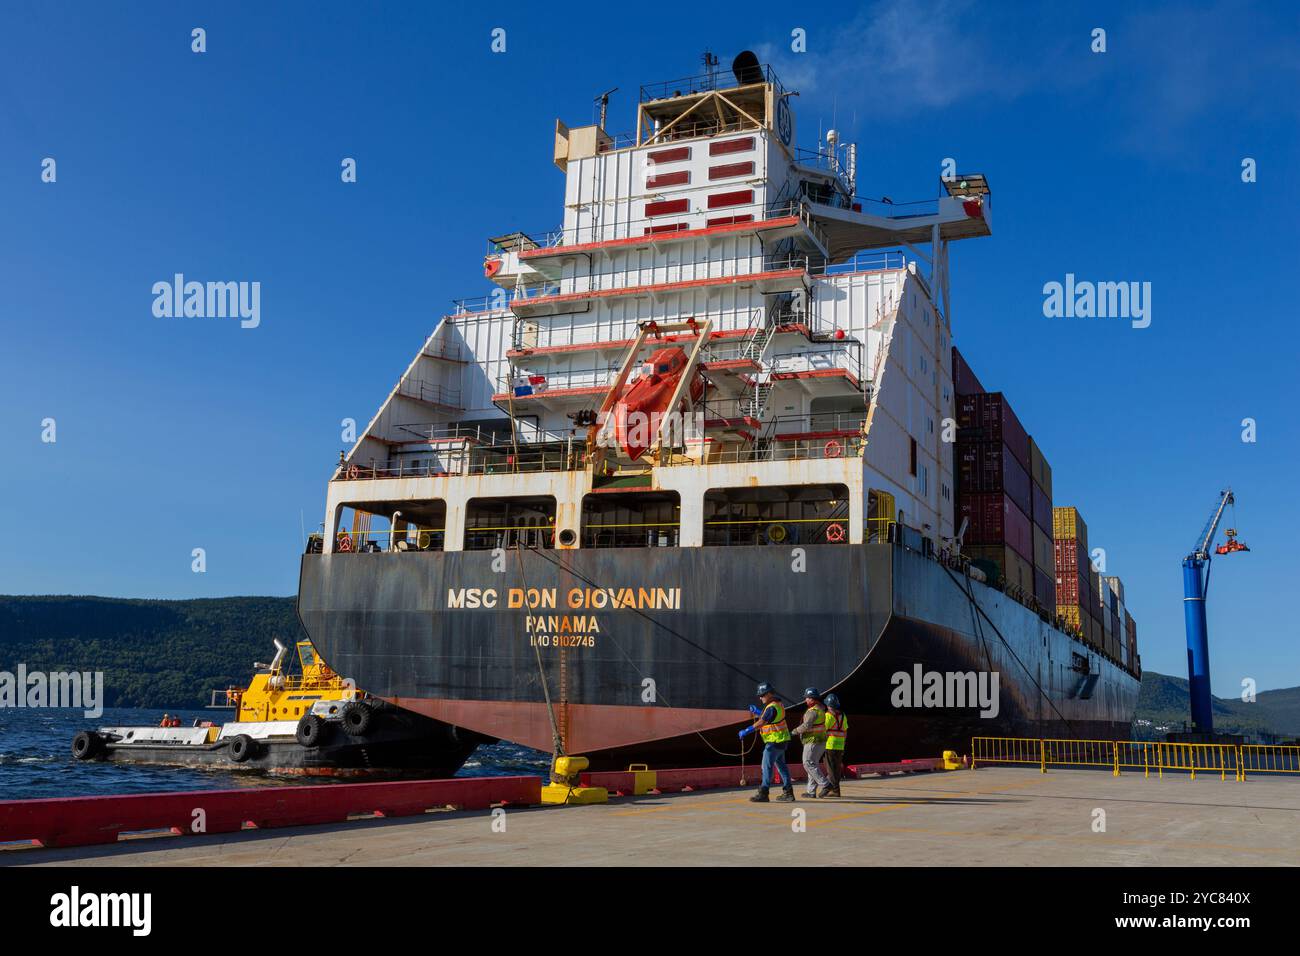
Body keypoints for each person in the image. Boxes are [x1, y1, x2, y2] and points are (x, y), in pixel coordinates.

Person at [739, 682, 795, 803]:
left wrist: (746, 730)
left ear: (769, 694)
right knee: (782, 766)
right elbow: (771, 717)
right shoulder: (777, 704)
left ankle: (763, 793)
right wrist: (758, 711)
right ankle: (789, 793)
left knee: (766, 766)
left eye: (762, 695)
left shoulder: (771, 707)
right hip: (782, 741)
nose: (760, 697)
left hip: (774, 742)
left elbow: (762, 722)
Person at [792, 687, 832, 798]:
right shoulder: (821, 709)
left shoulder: (813, 712)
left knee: (808, 763)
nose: (806, 700)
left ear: (813, 699)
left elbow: (806, 726)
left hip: (812, 741)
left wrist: (794, 731)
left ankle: (825, 784)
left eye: (807, 698)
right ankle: (811, 791)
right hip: (820, 741)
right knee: (812, 764)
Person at [822, 693, 849, 797]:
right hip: (840, 745)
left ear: (828, 705)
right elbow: (845, 731)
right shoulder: (843, 716)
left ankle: (834, 789)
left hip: (830, 745)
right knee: (837, 769)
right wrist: (843, 745)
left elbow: (823, 731)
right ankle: (836, 790)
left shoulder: (827, 716)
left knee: (831, 769)